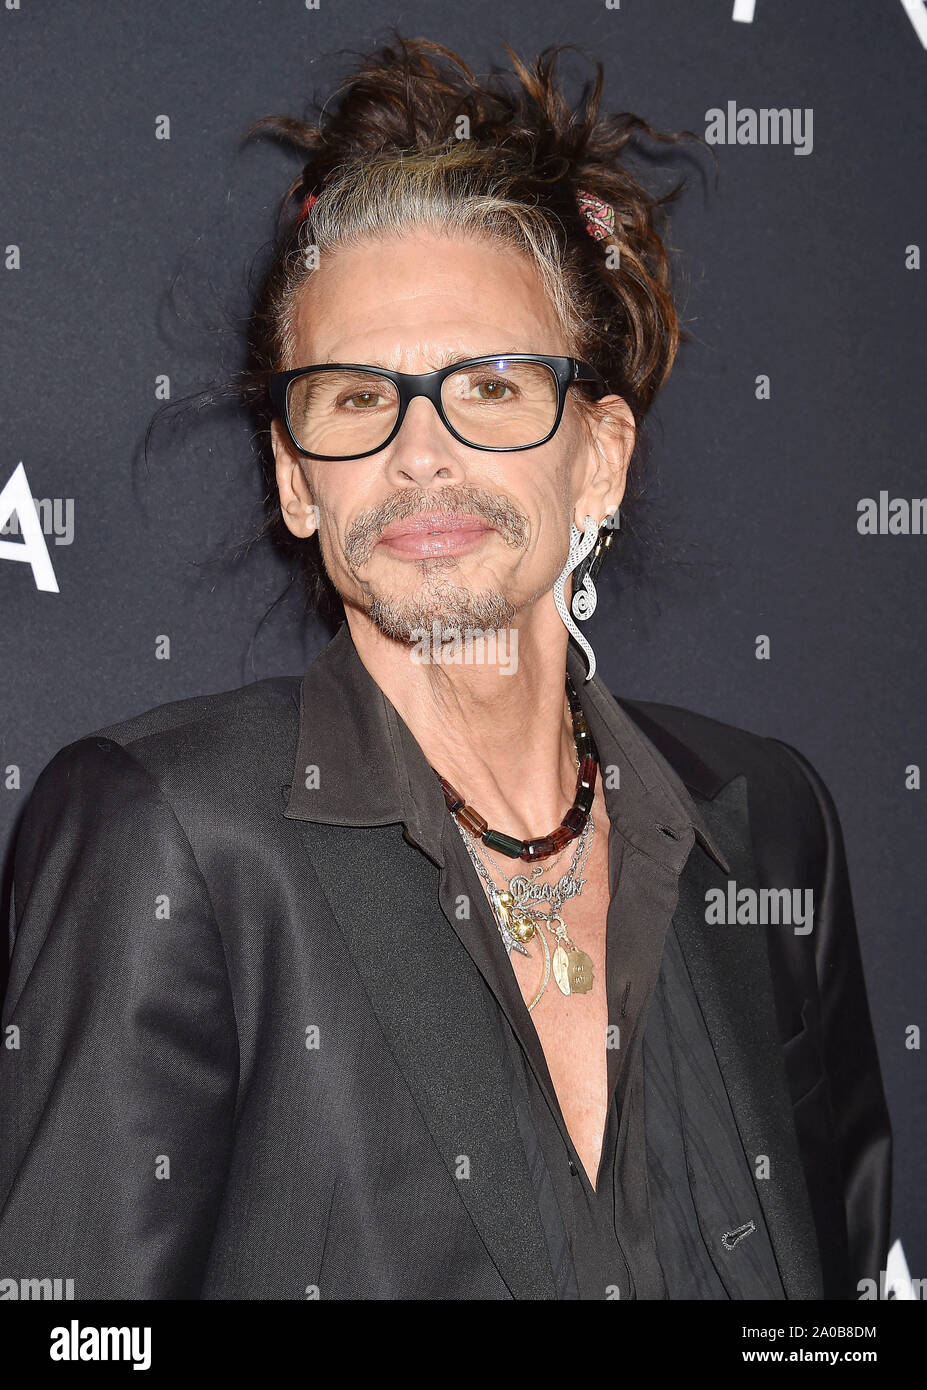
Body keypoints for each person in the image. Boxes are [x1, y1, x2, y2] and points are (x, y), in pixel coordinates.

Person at [0, 36, 890, 1300]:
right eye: (358, 398)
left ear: (598, 458)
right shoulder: (169, 834)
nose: (422, 453)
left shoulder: (768, 826)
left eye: (487, 382)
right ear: (296, 480)